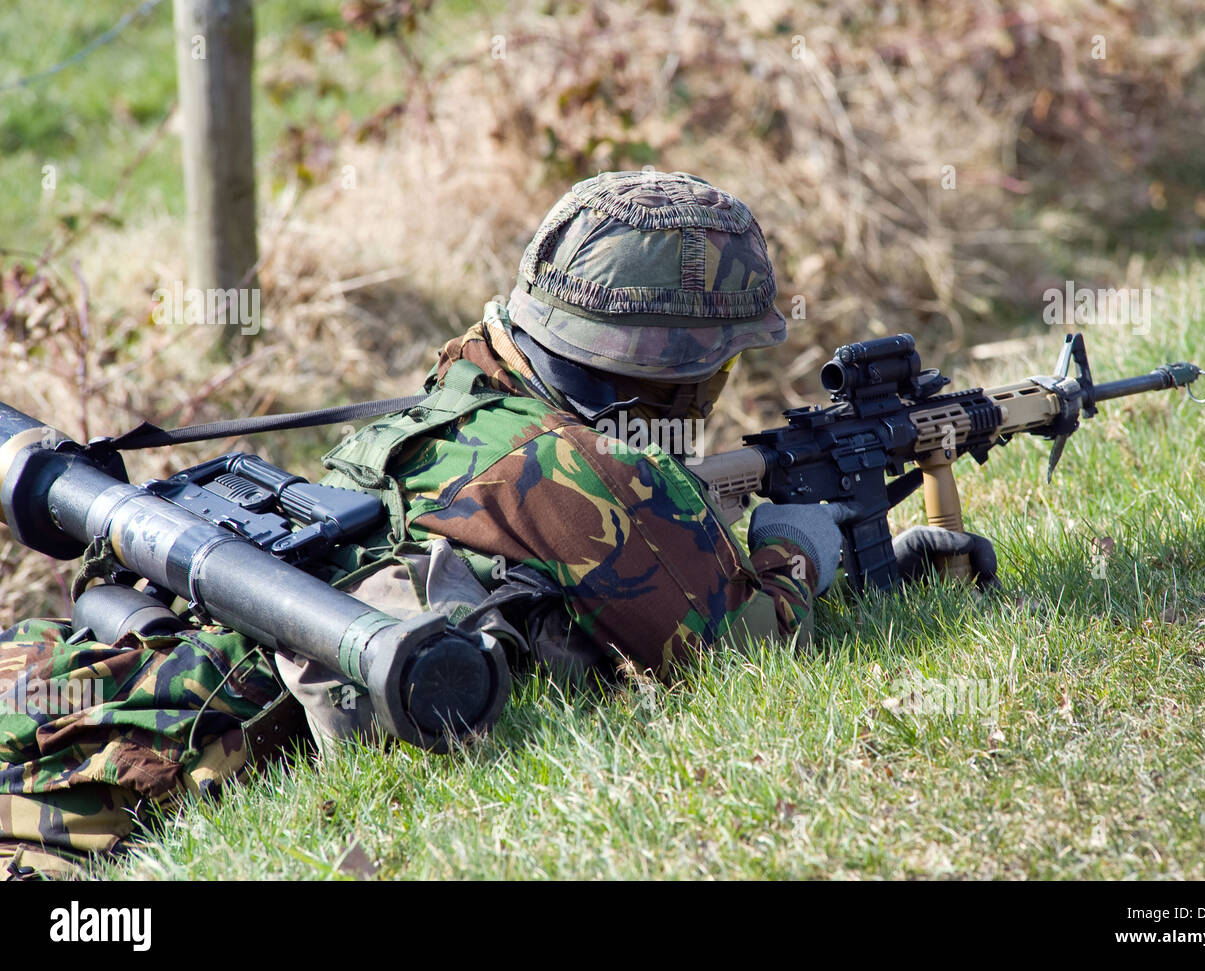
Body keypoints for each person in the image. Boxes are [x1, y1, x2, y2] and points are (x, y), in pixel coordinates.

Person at [0, 170, 996, 879]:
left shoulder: (454, 396)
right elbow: (738, 644)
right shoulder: (591, 473)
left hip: (138, 654)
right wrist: (802, 553)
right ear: (678, 368)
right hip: (178, 754)